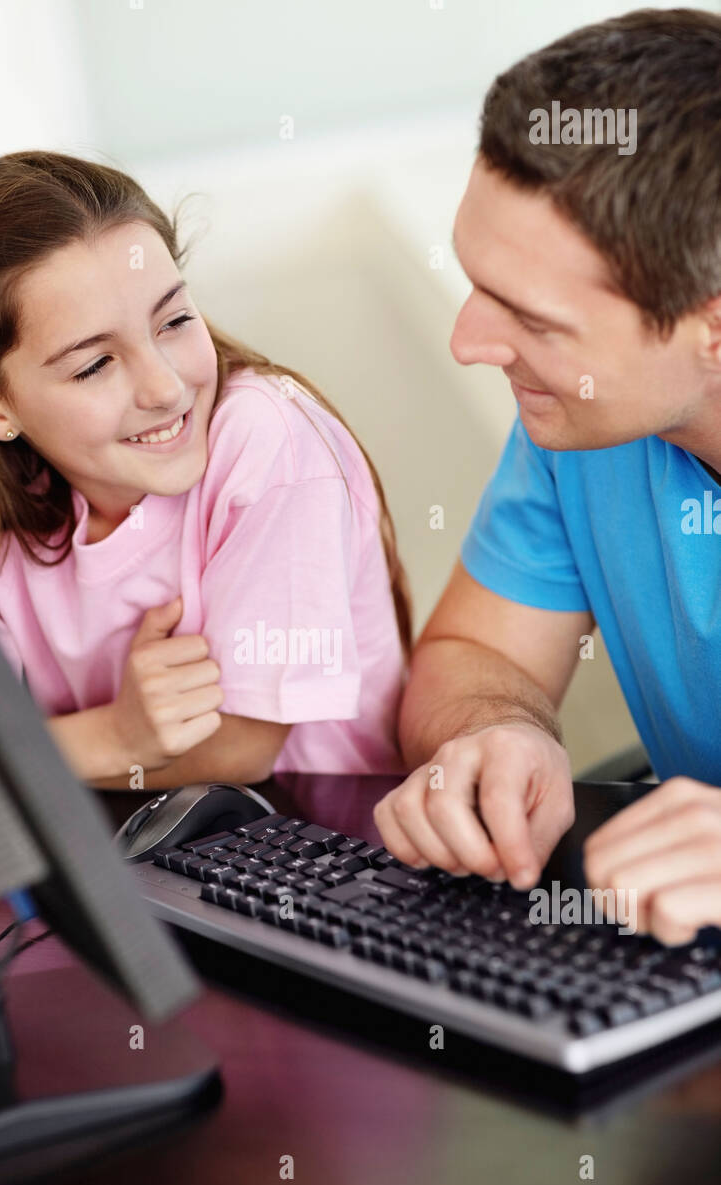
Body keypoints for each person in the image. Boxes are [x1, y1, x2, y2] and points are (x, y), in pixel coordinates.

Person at [0, 150, 413, 811]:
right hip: (129, 847)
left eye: (174, 321)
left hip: (323, 844)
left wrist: (37, 751)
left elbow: (241, 749)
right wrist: (115, 739)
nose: (166, 386)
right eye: (94, 366)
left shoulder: (267, 439)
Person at [373, 8, 721, 946]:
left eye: (531, 317)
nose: (468, 342)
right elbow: (473, 659)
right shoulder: (587, 426)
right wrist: (496, 732)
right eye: (476, 280)